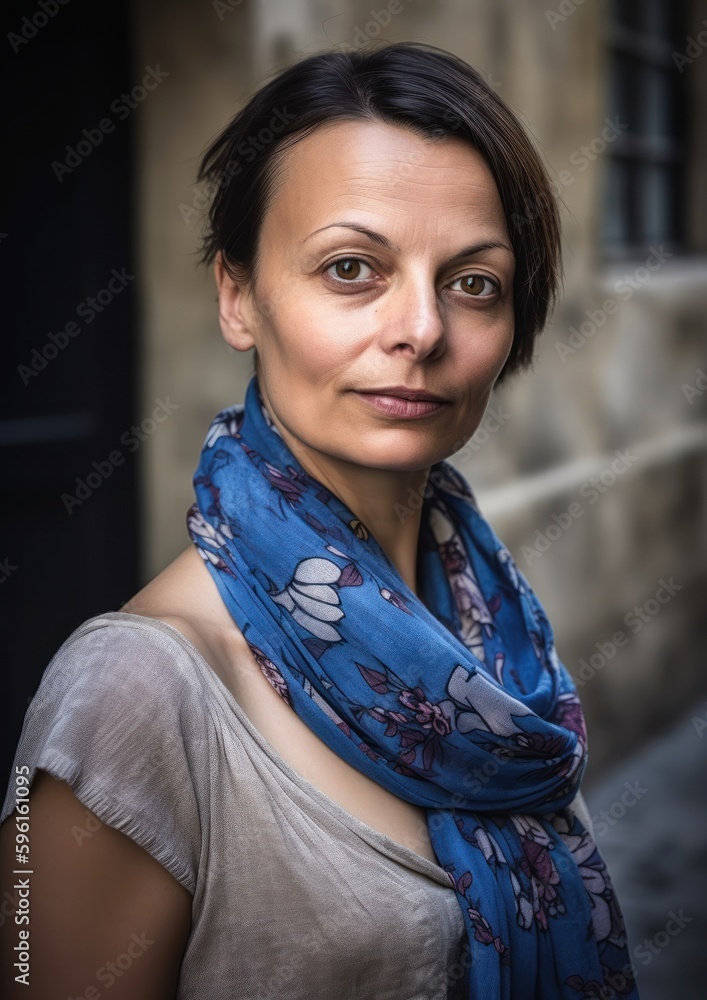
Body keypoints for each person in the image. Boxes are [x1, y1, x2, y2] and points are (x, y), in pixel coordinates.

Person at [0, 42, 639, 1000]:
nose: (421, 328)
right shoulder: (134, 694)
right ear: (237, 295)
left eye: (473, 282)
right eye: (351, 268)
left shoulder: (487, 628)